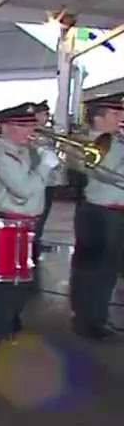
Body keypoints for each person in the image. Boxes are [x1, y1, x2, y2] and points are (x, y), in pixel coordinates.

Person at [0, 103, 60, 341]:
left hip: (24, 222)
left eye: (32, 124)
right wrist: (45, 166)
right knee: (5, 282)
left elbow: (48, 181)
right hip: (8, 220)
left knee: (20, 280)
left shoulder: (23, 150)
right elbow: (23, 189)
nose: (32, 130)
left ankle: (11, 322)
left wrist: (49, 163)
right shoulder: (2, 153)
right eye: (24, 126)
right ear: (8, 127)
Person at [68, 92, 124, 342]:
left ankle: (98, 317)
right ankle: (86, 320)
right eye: (115, 113)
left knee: (108, 269)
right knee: (92, 268)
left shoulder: (116, 141)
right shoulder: (88, 143)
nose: (121, 117)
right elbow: (107, 174)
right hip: (99, 211)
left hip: (115, 210)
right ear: (98, 119)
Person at [28, 100, 58, 290]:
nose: (46, 117)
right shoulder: (30, 135)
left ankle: (35, 246)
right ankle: (30, 250)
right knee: (35, 218)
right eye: (44, 113)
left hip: (50, 182)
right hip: (37, 182)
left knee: (43, 216)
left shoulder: (49, 134)